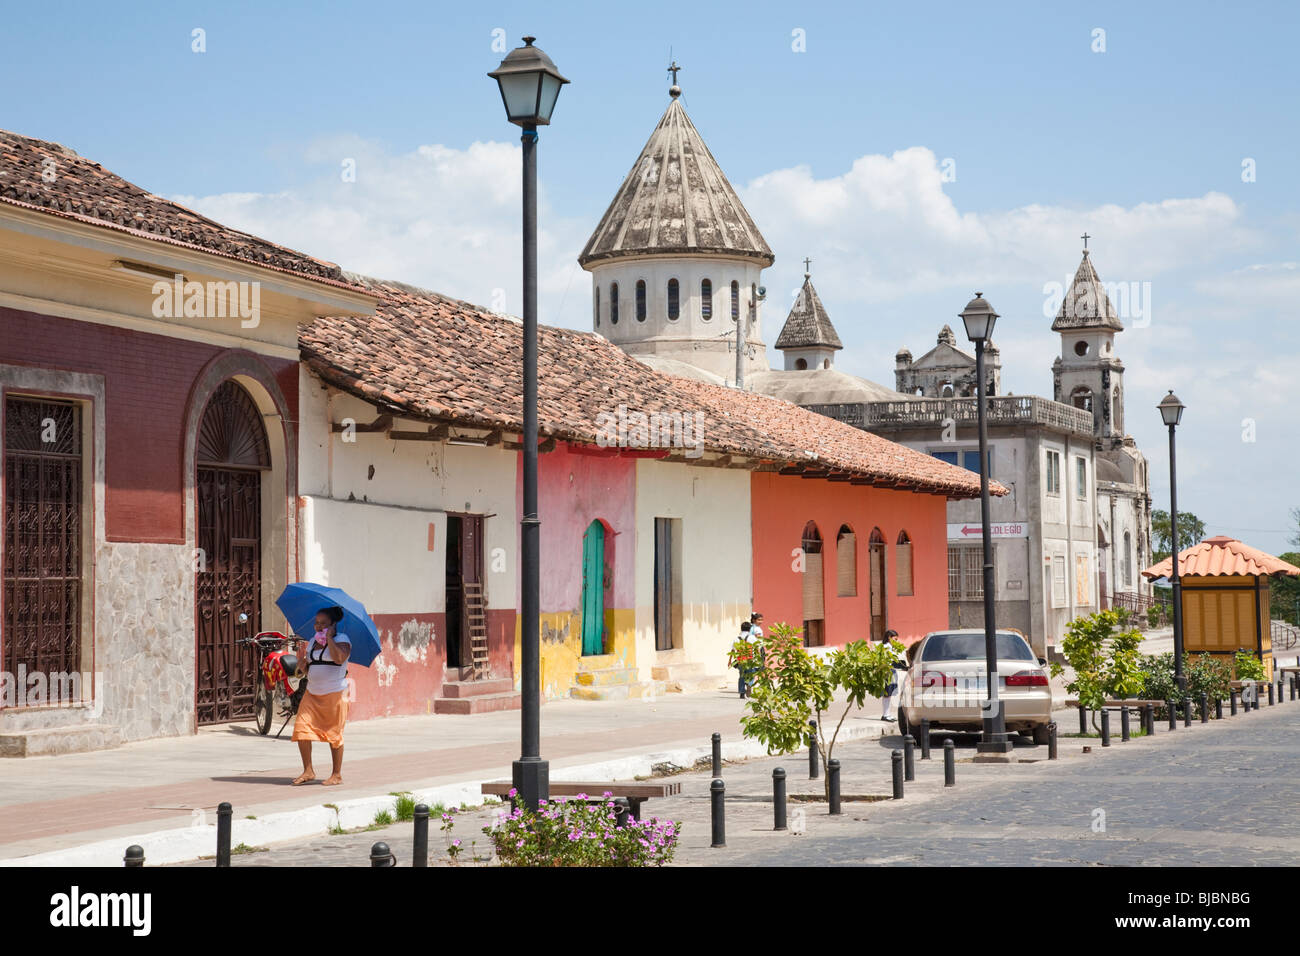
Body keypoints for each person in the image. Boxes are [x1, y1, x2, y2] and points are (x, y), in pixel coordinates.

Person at [291, 606, 352, 786]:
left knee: (334, 734)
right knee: (301, 730)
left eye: (323, 623)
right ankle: (308, 770)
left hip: (335, 694)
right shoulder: (311, 642)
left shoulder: (342, 640)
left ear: (333, 624)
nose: (318, 626)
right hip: (312, 692)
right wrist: (303, 667)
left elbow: (339, 658)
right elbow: (309, 667)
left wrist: (330, 639)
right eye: (317, 623)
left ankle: (336, 774)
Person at [879, 628, 907, 722]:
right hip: (888, 672)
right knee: (887, 694)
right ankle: (885, 715)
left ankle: (887, 714)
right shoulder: (886, 647)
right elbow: (890, 661)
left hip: (892, 671)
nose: (896, 641)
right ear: (889, 638)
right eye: (895, 639)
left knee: (889, 694)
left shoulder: (891, 647)